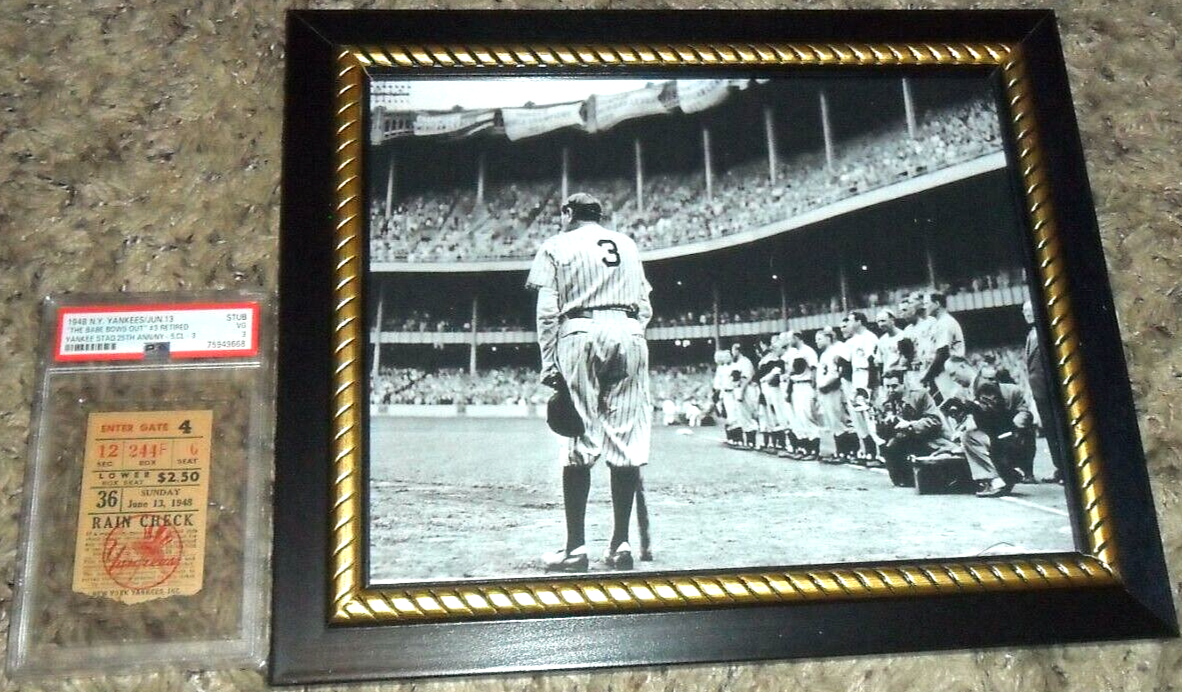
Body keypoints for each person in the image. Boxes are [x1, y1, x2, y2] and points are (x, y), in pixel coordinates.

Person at [526, 192, 653, 572]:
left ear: (568, 213)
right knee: (627, 442)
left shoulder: (556, 245)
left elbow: (548, 310)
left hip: (580, 330)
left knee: (579, 440)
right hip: (630, 332)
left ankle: (576, 550)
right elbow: (645, 304)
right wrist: (628, 331)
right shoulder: (627, 244)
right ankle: (621, 545)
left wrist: (550, 361)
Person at [945, 356, 1036, 498]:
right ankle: (1008, 474)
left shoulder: (984, 383)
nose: (953, 379)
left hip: (1005, 436)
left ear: (963, 366)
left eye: (952, 373)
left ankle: (995, 481)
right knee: (961, 443)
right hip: (996, 437)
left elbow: (993, 415)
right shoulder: (963, 391)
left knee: (969, 438)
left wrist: (972, 408)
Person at [875, 370, 959, 487]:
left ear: (903, 383)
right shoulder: (883, 402)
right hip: (901, 442)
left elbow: (934, 420)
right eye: (887, 387)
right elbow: (881, 434)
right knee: (900, 479)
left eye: (894, 386)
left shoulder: (920, 395)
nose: (890, 390)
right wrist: (884, 425)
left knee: (932, 480)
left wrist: (910, 425)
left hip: (926, 440)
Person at [1023, 299, 1064, 483]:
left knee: (1058, 428)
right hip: (1039, 391)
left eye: (1031, 311)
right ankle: (1060, 468)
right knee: (1050, 429)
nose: (1027, 314)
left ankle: (1066, 469)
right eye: (1025, 311)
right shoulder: (1031, 334)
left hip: (1050, 390)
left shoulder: (1046, 333)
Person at [841, 311, 880, 464]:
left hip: (866, 376)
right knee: (859, 417)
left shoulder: (869, 337)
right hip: (857, 377)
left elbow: (872, 362)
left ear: (859, 321)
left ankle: (879, 453)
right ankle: (869, 452)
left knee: (869, 415)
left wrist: (870, 386)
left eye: (851, 321)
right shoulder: (855, 340)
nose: (849, 325)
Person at [815, 327, 855, 462]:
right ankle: (840, 451)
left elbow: (835, 373)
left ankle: (847, 453)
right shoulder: (825, 353)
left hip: (834, 389)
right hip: (826, 390)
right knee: (832, 421)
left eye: (820, 339)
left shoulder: (837, 350)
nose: (817, 342)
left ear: (828, 338)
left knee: (839, 420)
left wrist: (822, 385)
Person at [782, 331, 821, 459]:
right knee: (800, 418)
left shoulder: (808, 351)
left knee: (808, 416)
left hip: (806, 385)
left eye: (790, 339)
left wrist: (814, 388)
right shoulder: (795, 353)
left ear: (797, 337)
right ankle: (806, 449)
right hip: (796, 386)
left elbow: (814, 369)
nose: (788, 342)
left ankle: (814, 451)